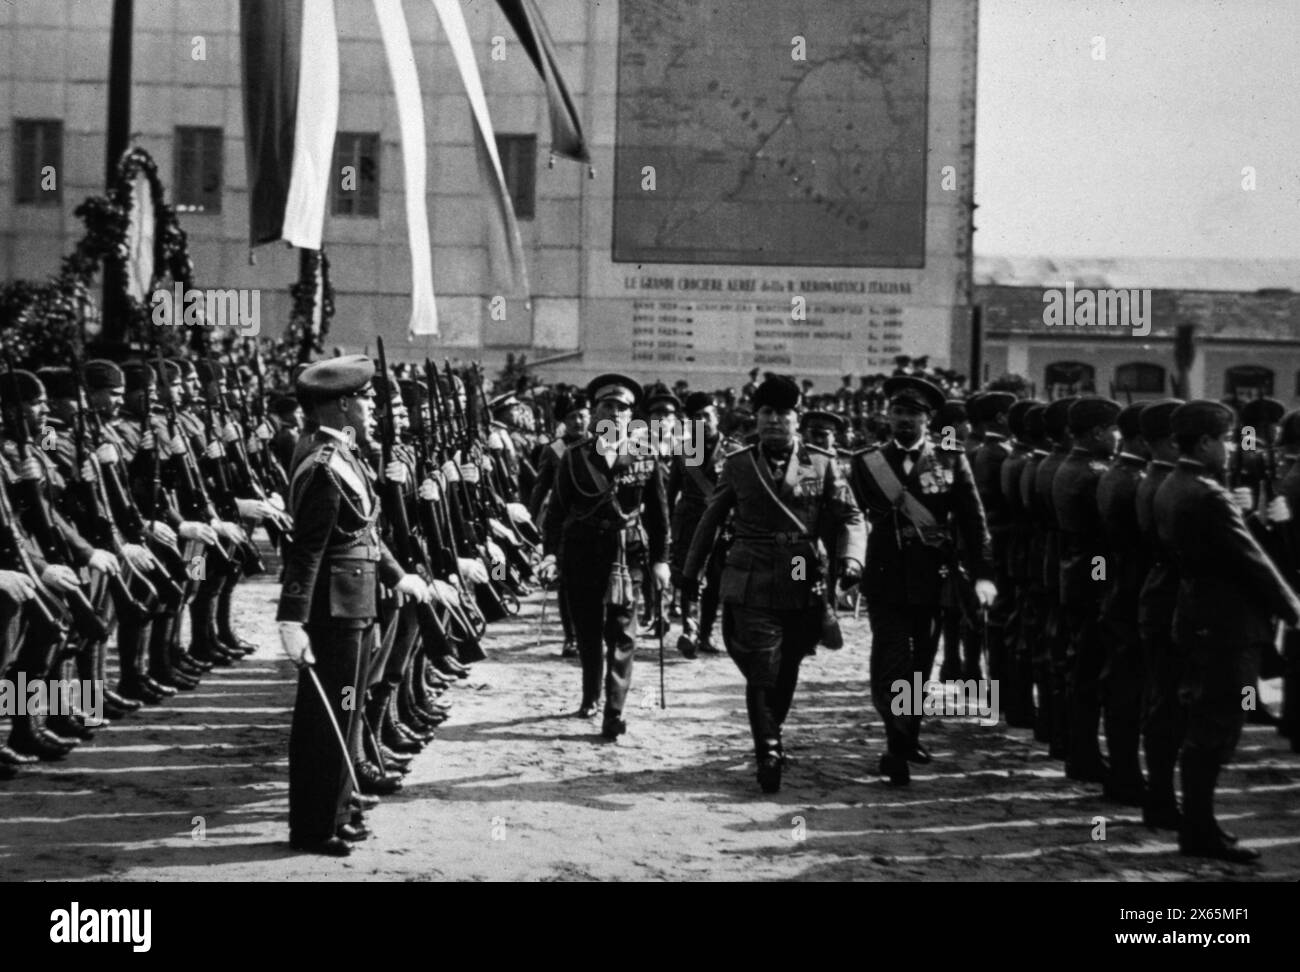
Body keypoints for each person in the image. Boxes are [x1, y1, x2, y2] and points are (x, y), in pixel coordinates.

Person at [276, 355, 431, 857]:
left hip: (357, 605)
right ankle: (314, 826)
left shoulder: (344, 456)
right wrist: (291, 619)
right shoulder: (323, 466)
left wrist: (399, 576)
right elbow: (308, 550)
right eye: (364, 399)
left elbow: (366, 532)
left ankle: (338, 811)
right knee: (325, 720)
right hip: (332, 612)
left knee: (345, 713)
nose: (370, 408)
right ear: (343, 404)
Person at [683, 375, 864, 792]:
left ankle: (772, 732)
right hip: (751, 574)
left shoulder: (821, 463)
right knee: (763, 665)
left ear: (796, 419)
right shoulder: (739, 464)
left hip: (802, 573)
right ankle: (768, 748)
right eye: (766, 413)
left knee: (789, 664)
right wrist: (689, 574)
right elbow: (710, 520)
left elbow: (851, 517)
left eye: (783, 414)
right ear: (756, 417)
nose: (774, 421)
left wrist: (852, 559)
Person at [1154, 400, 1300, 863]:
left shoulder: (1175, 485)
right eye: (1224, 440)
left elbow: (1225, 547)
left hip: (1198, 617)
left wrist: (1257, 520)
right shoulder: (1209, 494)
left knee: (1206, 723)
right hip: (1227, 627)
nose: (1230, 448)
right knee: (1218, 728)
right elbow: (1250, 561)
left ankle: (1200, 823)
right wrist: (1295, 609)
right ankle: (1200, 829)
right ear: (1204, 442)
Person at [848, 375, 994, 785]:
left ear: (928, 420)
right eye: (897, 411)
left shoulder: (950, 459)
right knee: (889, 661)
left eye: (913, 413)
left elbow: (974, 521)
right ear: (887, 416)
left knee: (920, 666)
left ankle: (904, 737)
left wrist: (983, 575)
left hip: (934, 576)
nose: (904, 420)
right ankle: (897, 738)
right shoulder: (866, 462)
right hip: (884, 575)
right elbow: (850, 520)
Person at [538, 374, 670, 740]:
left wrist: (661, 561)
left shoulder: (645, 456)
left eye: (623, 407)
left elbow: (659, 516)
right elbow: (557, 513)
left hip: (627, 559)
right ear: (596, 413)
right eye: (607, 406)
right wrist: (549, 554)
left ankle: (614, 710)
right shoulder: (574, 456)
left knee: (623, 634)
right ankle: (590, 695)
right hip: (581, 552)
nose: (615, 413)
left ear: (632, 415)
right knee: (588, 630)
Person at [1052, 397, 1122, 787]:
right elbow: (1106, 537)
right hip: (1094, 576)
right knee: (1092, 672)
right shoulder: (1095, 473)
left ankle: (1081, 752)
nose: (1117, 438)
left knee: (1082, 668)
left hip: (1076, 573)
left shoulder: (1070, 465)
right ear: (1096, 432)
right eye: (1114, 430)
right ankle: (1085, 756)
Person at [669, 391, 729, 657]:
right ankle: (689, 630)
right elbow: (669, 492)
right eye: (696, 418)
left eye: (707, 416)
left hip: (722, 525)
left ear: (717, 417)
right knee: (688, 575)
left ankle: (706, 633)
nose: (702, 422)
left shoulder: (733, 451)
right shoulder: (684, 449)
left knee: (716, 580)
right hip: (690, 520)